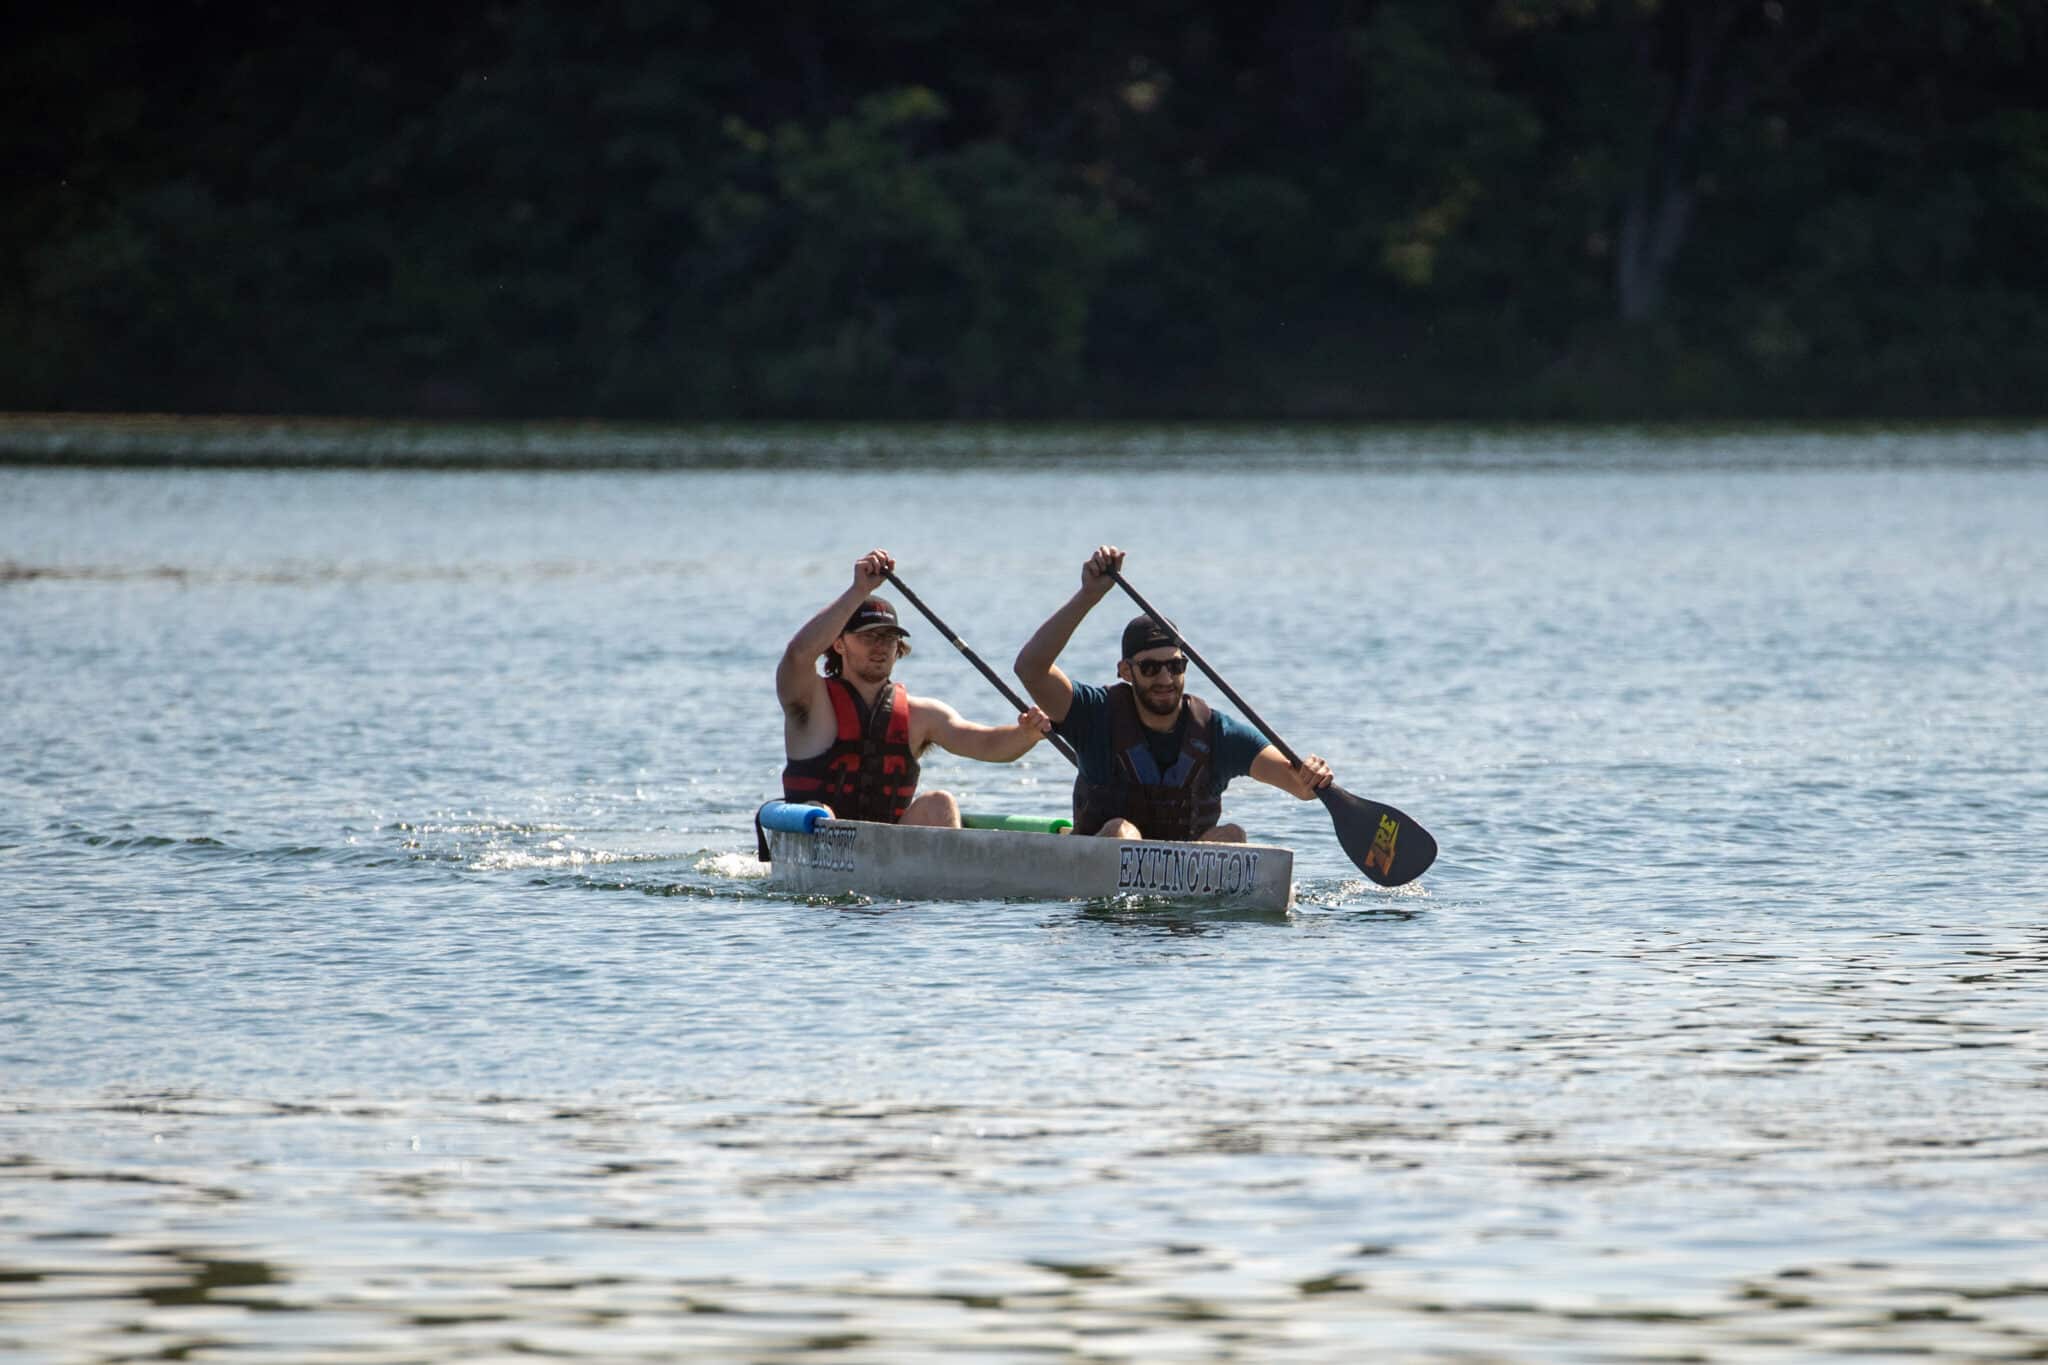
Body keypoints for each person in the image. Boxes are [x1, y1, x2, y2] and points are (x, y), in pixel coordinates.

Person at [1013, 545, 1333, 842]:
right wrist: (1089, 595)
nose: (1165, 678)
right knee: (1119, 832)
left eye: (1175, 666)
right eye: (1151, 668)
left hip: (1184, 883)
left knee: (1232, 836)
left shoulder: (1217, 734)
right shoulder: (1095, 715)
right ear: (1126, 671)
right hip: (1103, 877)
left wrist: (1311, 775)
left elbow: (1300, 788)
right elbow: (1031, 668)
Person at [779, 549, 1053, 826]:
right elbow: (798, 654)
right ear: (839, 644)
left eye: (888, 638)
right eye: (868, 637)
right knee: (819, 811)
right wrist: (858, 590)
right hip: (818, 852)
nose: (880, 647)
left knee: (939, 803)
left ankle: (945, 870)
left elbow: (987, 744)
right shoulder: (810, 700)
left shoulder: (922, 715)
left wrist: (1026, 733)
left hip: (887, 852)